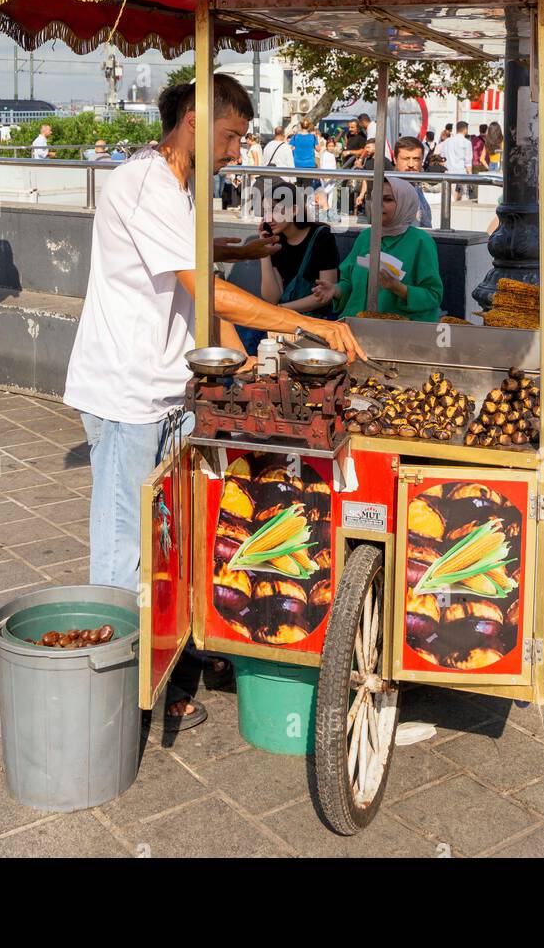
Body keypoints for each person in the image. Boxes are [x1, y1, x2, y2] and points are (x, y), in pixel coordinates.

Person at [63, 76, 362, 729]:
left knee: (170, 531)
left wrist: (247, 250)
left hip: (167, 386)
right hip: (126, 389)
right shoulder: (145, 184)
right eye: (230, 137)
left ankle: (174, 650)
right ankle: (114, 687)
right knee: (125, 542)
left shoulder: (177, 185)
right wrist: (305, 324)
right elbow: (211, 291)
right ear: (196, 122)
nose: (235, 152)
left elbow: (196, 261)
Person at [315, 176, 443, 322]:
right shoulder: (366, 237)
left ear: (405, 203)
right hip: (355, 326)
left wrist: (398, 288)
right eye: (376, 198)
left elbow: (433, 295)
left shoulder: (421, 241)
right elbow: (348, 283)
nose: (379, 205)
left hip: (400, 332)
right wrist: (335, 290)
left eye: (388, 199)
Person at [258, 181, 340, 316]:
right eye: (265, 211)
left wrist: (282, 309)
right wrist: (264, 253)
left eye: (274, 210)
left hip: (316, 317)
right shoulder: (276, 240)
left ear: (295, 210)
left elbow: (325, 294)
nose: (268, 218)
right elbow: (272, 297)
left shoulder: (322, 236)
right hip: (285, 314)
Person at [392, 136, 432, 227]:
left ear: (422, 160)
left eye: (416, 159)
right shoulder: (389, 190)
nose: (411, 164)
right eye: (406, 159)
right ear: (395, 160)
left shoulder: (416, 186)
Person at [443, 121, 473, 200]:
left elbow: (443, 158)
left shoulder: (447, 142)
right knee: (464, 199)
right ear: (465, 129)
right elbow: (468, 162)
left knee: (450, 200)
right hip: (462, 174)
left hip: (449, 174)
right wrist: (470, 177)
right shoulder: (467, 142)